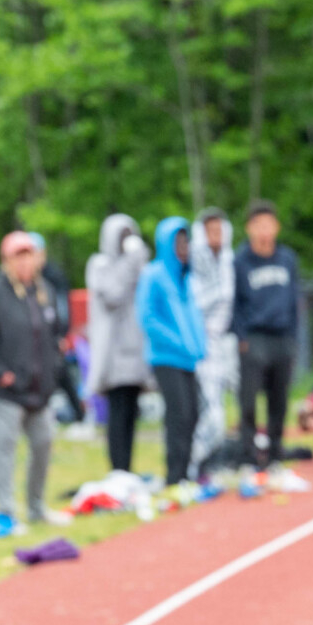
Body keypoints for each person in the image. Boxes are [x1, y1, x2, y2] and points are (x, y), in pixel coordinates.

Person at [0, 231, 66, 524]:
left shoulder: (43, 290)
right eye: (17, 257)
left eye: (28, 255)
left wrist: (53, 365)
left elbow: (54, 331)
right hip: (3, 392)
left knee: (43, 444)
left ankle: (36, 508)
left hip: (38, 390)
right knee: (3, 452)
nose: (24, 262)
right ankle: (6, 514)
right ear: (6, 261)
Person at [230, 200, 301, 465]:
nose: (263, 231)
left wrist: (293, 337)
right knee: (248, 401)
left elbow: (295, 302)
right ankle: (248, 453)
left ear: (276, 228)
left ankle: (275, 453)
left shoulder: (287, 259)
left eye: (268, 225)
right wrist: (241, 336)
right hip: (254, 337)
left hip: (281, 337)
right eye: (258, 225)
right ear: (249, 228)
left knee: (279, 401)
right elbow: (234, 302)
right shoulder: (240, 261)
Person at [139, 217, 207, 486]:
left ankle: (185, 471)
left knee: (193, 413)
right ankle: (174, 474)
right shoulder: (154, 275)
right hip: (166, 357)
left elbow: (193, 316)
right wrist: (178, 342)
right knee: (178, 414)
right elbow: (147, 317)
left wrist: (198, 345)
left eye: (186, 241)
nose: (183, 247)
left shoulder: (185, 277)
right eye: (178, 241)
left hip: (188, 358)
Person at [84, 213, 150, 473]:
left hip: (136, 353)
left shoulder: (136, 265)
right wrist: (130, 261)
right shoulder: (99, 264)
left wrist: (138, 260)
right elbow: (113, 294)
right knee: (117, 412)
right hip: (113, 355)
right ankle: (117, 469)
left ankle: (128, 469)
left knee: (132, 413)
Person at [188, 208, 235, 474]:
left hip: (223, 345)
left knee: (220, 408)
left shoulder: (229, 261)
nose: (215, 236)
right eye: (210, 230)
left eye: (219, 230)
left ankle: (214, 460)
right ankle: (196, 461)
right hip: (197, 344)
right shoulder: (193, 262)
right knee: (206, 410)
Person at [25, 232, 86, 425]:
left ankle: (78, 415)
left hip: (51, 335)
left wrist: (60, 334)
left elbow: (62, 308)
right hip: (30, 336)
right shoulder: (23, 279)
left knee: (60, 373)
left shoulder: (52, 276)